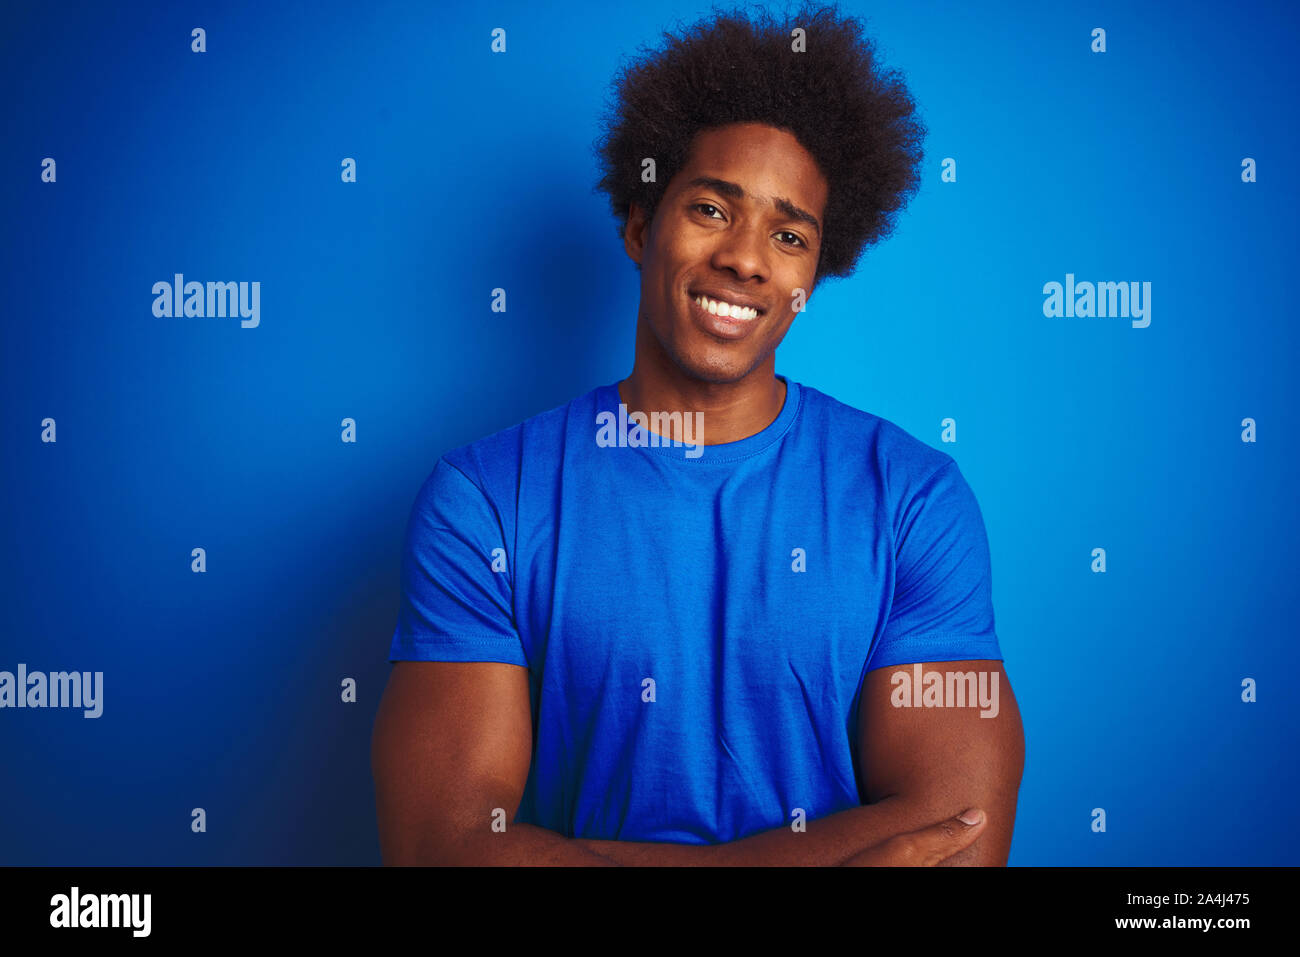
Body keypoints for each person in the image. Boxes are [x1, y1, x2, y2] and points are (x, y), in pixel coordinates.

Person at [372, 2, 1024, 865]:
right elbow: (441, 849)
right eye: (713, 209)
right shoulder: (487, 500)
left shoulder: (913, 500)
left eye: (789, 235)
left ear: (809, 281)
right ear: (641, 226)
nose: (746, 258)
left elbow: (959, 835)